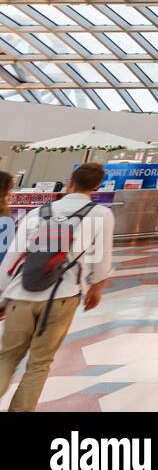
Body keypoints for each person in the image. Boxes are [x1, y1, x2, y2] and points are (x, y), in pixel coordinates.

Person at [0, 163, 114, 412]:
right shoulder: (101, 214)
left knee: (7, 357)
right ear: (96, 187)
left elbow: (13, 258)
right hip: (62, 296)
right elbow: (102, 258)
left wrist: (2, 297)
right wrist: (96, 288)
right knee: (39, 363)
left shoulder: (39, 212)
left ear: (70, 181)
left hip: (21, 293)